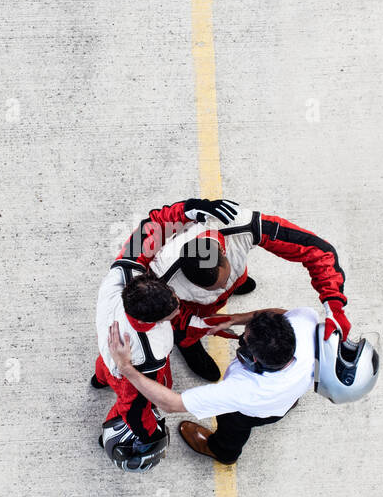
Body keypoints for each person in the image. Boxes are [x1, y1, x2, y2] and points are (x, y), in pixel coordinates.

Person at [118, 198, 350, 383]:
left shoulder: (238, 222)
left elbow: (318, 251)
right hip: (196, 306)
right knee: (183, 331)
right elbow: (178, 319)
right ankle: (188, 346)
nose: (221, 287)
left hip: (231, 274)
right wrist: (215, 326)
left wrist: (334, 305)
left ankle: (237, 281)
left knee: (237, 280)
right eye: (212, 287)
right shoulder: (161, 275)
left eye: (222, 279)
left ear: (222, 252)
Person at [107, 306, 321, 465]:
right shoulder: (305, 322)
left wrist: (125, 367)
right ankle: (291, 403)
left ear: (252, 358)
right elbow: (280, 313)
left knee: (233, 427)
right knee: (285, 403)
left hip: (251, 412)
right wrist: (233, 319)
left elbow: (171, 403)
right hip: (290, 394)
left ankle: (222, 452)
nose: (241, 338)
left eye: (243, 340)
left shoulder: (243, 391)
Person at [91, 259, 180, 471]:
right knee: (127, 406)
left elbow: (139, 241)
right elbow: (134, 411)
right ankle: (109, 434)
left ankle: (98, 380)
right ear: (149, 321)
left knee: (103, 369)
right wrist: (151, 434)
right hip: (128, 377)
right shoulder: (148, 356)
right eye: (170, 312)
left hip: (108, 356)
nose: (177, 306)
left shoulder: (117, 280)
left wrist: (180, 222)